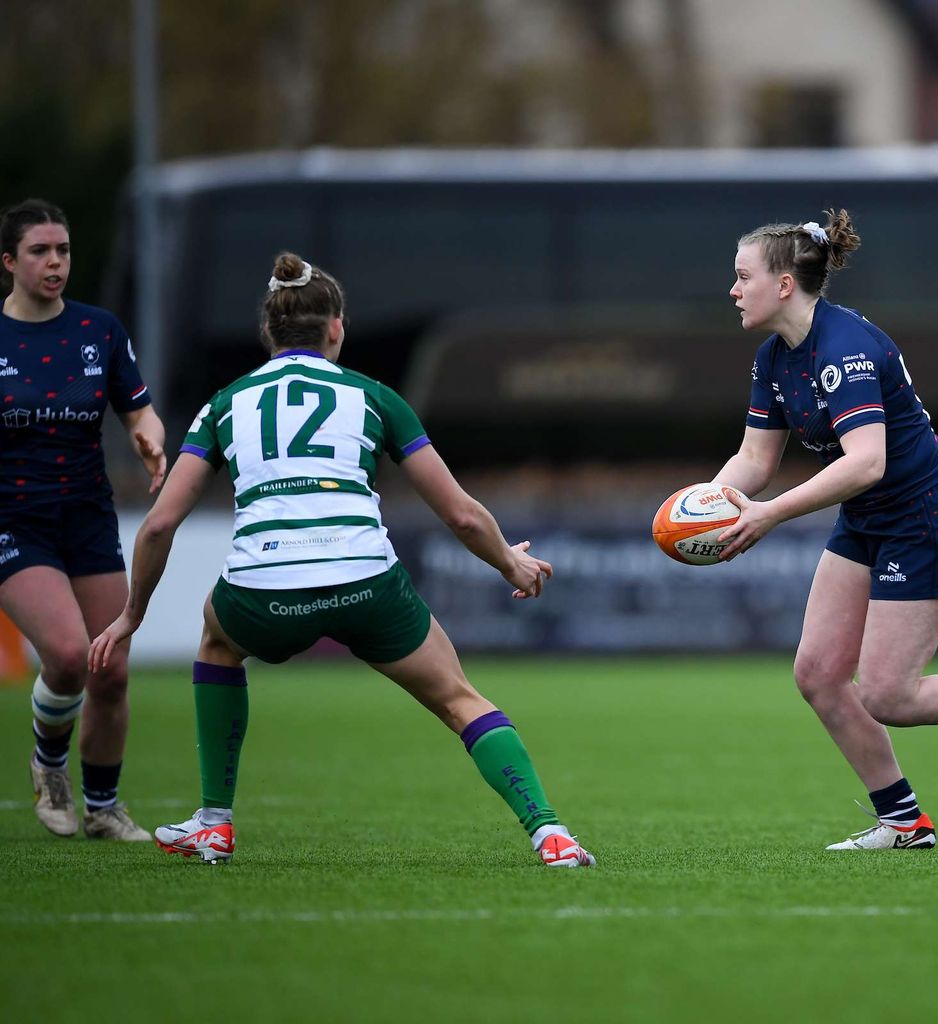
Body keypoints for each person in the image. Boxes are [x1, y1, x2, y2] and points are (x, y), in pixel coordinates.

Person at [88, 252, 595, 868]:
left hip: (263, 591)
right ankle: (551, 834)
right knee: (461, 699)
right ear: (336, 328)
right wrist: (509, 565)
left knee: (218, 644)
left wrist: (130, 617)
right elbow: (460, 512)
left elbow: (160, 523)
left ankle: (215, 823)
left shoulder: (225, 403)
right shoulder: (373, 396)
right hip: (364, 584)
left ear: (268, 332)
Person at [712, 210, 938, 851]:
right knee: (819, 674)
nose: (733, 291)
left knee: (887, 694)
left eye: (743, 277)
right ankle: (904, 823)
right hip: (869, 520)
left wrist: (768, 514)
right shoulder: (774, 357)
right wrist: (707, 502)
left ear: (786, 284)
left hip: (925, 521)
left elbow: (867, 461)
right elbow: (756, 461)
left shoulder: (844, 348)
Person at [2, 198, 166, 841]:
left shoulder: (99, 330)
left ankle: (102, 807)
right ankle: (48, 766)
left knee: (111, 668)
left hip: (88, 517)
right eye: (40, 251)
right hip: (16, 520)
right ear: (10, 262)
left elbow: (139, 410)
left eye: (63, 250)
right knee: (69, 655)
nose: (55, 262)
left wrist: (151, 439)